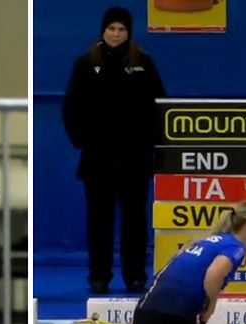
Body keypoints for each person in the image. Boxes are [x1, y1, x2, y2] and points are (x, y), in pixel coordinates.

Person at [62, 6, 167, 294]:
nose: (116, 34)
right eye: (112, 29)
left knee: (135, 222)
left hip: (135, 158)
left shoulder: (144, 63)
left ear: (128, 32)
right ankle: (99, 276)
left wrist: (155, 148)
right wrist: (83, 140)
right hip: (98, 159)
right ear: (103, 30)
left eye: (121, 29)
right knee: (99, 222)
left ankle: (135, 276)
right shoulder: (85, 64)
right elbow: (71, 107)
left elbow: (160, 108)